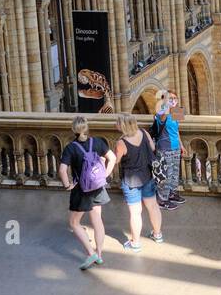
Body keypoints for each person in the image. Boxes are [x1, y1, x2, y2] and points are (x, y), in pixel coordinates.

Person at [58, 116, 116, 270]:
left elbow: (62, 170)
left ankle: (92, 253)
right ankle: (100, 255)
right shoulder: (97, 142)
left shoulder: (71, 148)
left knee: (74, 223)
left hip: (81, 189)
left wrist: (67, 185)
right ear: (87, 127)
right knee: (97, 220)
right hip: (97, 186)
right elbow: (113, 158)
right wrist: (104, 176)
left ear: (73, 130)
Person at [114, 116, 163, 251]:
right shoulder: (144, 132)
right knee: (153, 206)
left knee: (135, 212)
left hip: (130, 181)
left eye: (117, 122)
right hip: (147, 175)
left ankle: (135, 243)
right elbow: (153, 148)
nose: (115, 124)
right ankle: (157, 235)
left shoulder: (121, 143)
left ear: (123, 126)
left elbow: (116, 160)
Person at [152, 90, 186, 209]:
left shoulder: (177, 112)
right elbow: (161, 117)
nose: (174, 100)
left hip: (175, 147)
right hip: (165, 148)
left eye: (175, 98)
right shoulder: (161, 113)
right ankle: (162, 200)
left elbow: (176, 130)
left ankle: (171, 194)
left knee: (174, 174)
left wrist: (181, 145)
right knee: (166, 175)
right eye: (170, 98)